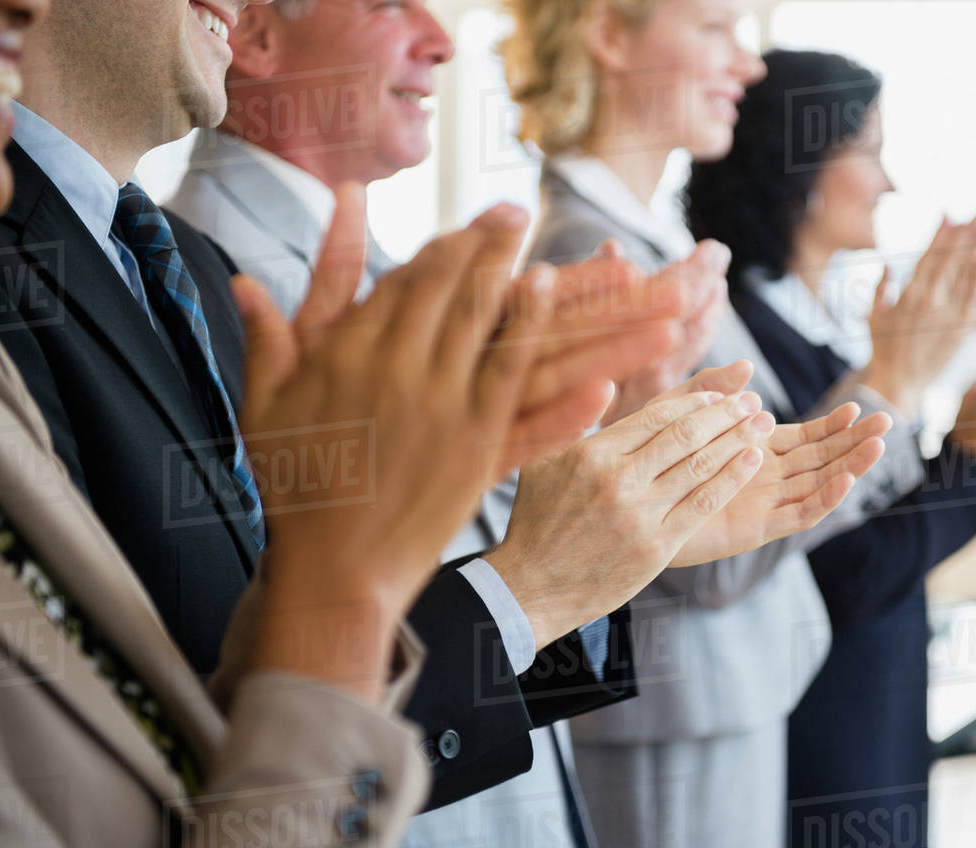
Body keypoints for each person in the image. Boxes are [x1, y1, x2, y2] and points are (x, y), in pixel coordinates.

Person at [166, 2, 893, 842]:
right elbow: (270, 665)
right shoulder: (209, 284)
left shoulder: (372, 267)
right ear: (252, 30)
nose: (441, 40)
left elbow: (473, 557)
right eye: (386, 3)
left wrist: (616, 484)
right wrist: (895, 381)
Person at [0, 0, 610, 843]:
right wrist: (529, 590)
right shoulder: (1, 268)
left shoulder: (186, 261)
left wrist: (607, 558)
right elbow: (180, 722)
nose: (442, 41)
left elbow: (236, 663)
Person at [497, 2, 950, 845]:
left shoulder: (647, 240)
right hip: (679, 718)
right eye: (715, 29)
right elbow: (702, 556)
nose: (747, 65)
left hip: (717, 703)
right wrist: (889, 384)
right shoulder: (591, 254)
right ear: (609, 33)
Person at [686, 48, 976, 845]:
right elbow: (843, 572)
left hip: (871, 712)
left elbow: (871, 520)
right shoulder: (738, 348)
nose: (888, 182)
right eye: (869, 149)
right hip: (823, 733)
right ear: (795, 163)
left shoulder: (817, 339)